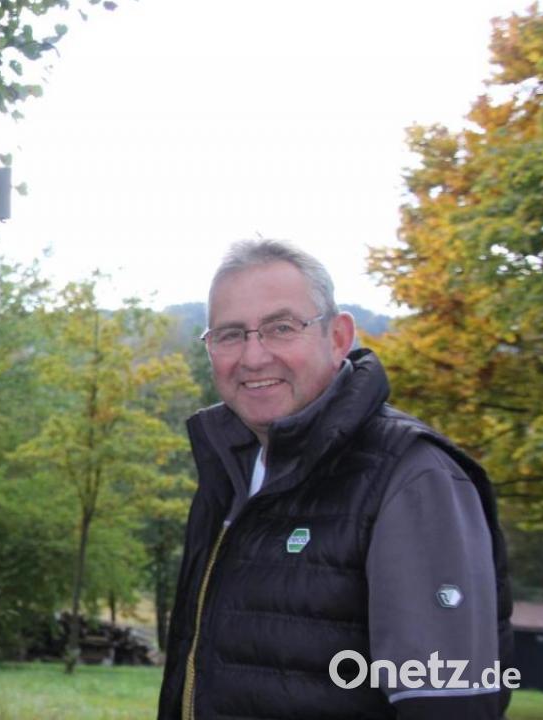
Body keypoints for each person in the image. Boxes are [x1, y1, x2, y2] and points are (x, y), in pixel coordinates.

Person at [158, 240, 512, 719]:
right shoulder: (232, 474)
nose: (254, 356)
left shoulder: (411, 477)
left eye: (281, 328)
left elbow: (447, 705)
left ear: (339, 336)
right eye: (230, 334)